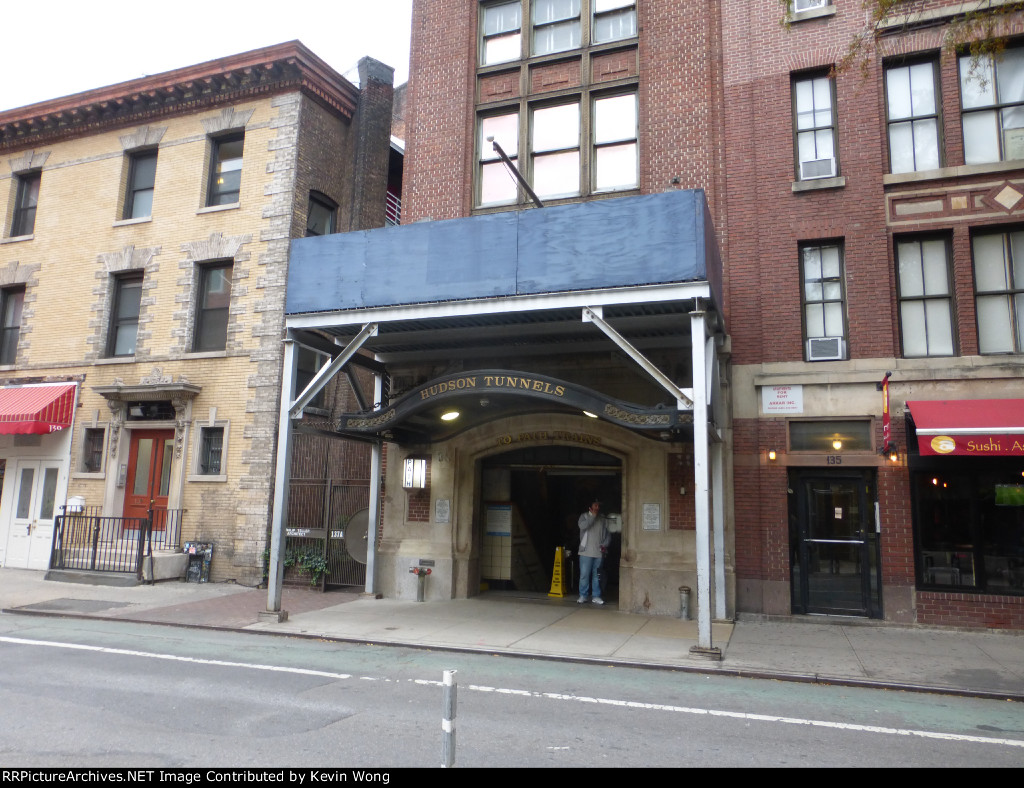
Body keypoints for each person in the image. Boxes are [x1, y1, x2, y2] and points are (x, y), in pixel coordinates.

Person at [577, 499, 611, 605]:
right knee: (584, 575)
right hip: (585, 552)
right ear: (590, 507)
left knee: (597, 576)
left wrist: (604, 545)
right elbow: (583, 526)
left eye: (598, 506)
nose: (598, 508)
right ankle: (583, 595)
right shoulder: (584, 516)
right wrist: (593, 516)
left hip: (598, 552)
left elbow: (608, 534)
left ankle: (596, 596)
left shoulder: (603, 519)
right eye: (595, 506)